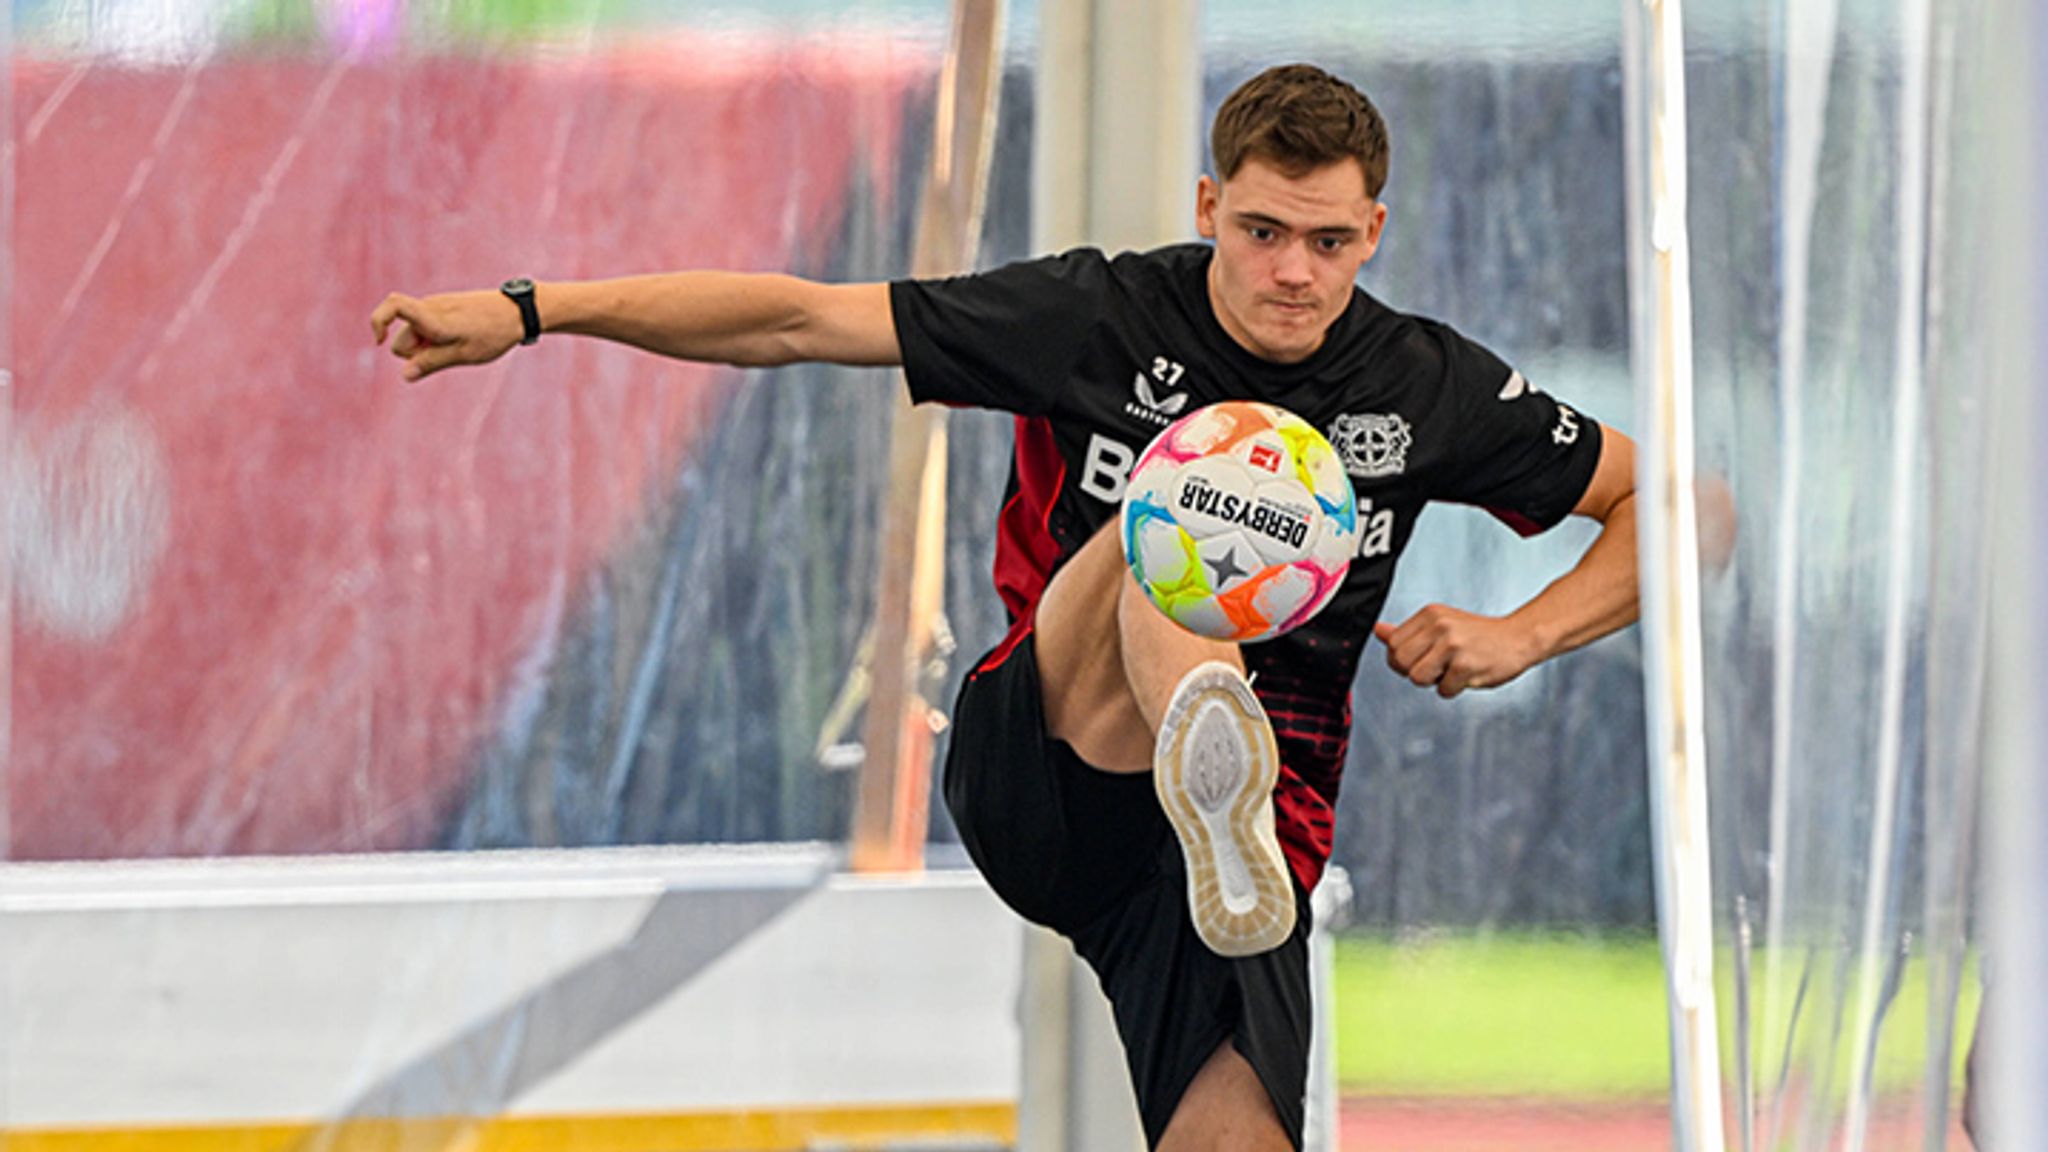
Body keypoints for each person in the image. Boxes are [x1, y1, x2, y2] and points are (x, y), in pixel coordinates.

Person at [370, 63, 1639, 1152]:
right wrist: (531, 313)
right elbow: (797, 318)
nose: (1290, 272)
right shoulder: (1097, 315)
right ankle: (1201, 726)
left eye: (1327, 242)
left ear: (1373, 233)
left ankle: (1219, 795)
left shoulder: (1421, 385)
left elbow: (1676, 508)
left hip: (1235, 859)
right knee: (1181, 509)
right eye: (1259, 231)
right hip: (1048, 757)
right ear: (1207, 208)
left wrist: (1519, 633)